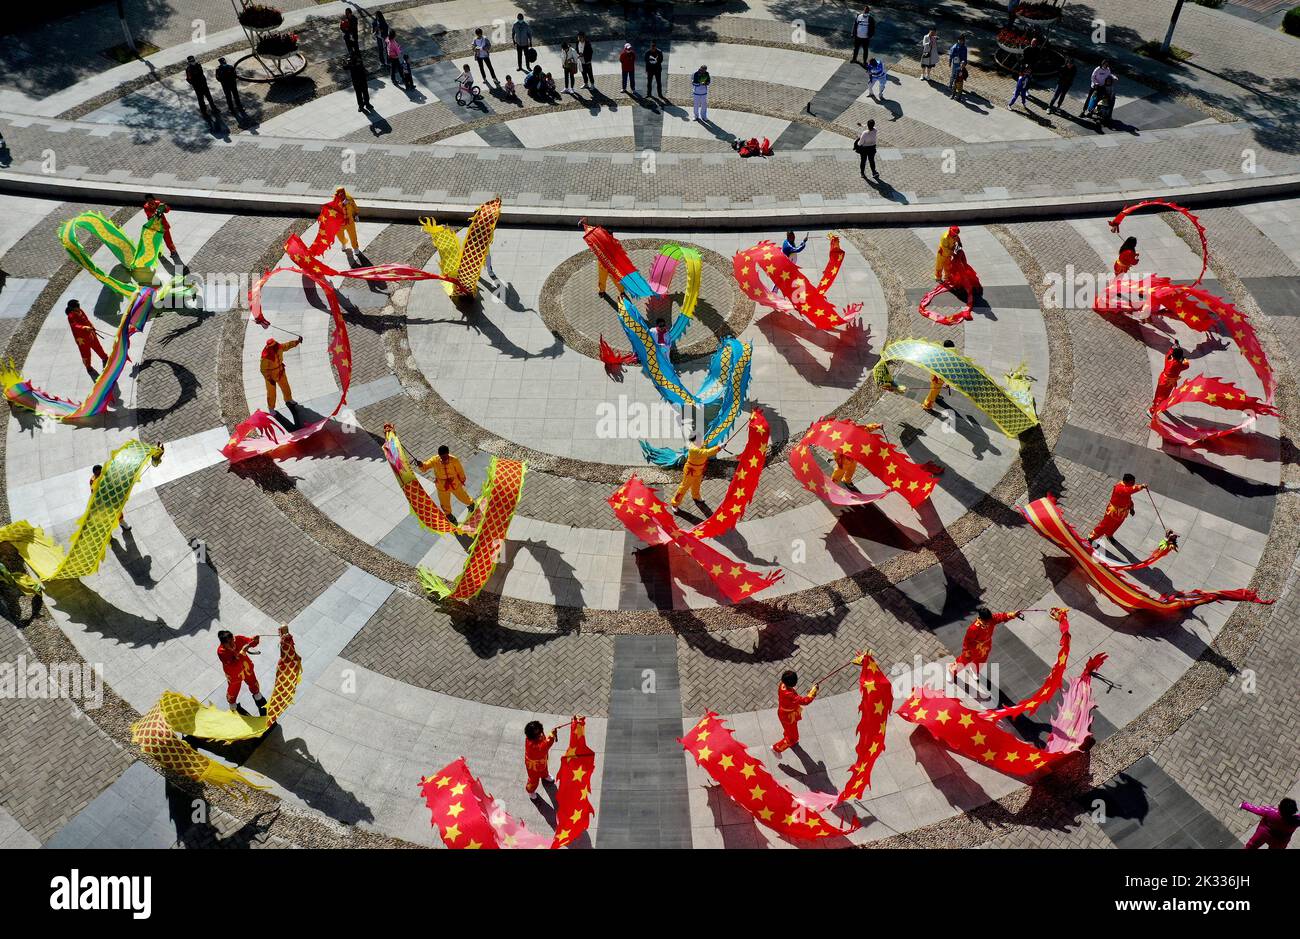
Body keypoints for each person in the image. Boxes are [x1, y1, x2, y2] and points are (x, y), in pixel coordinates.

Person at [951, 607, 1024, 674]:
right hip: (973, 648)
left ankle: (975, 670)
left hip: (986, 646)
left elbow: (1001, 616)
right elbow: (967, 641)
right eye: (987, 622)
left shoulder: (991, 619)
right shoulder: (973, 628)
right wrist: (966, 651)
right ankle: (952, 671)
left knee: (982, 660)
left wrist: (1013, 614)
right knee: (964, 660)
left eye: (990, 620)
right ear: (982, 619)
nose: (989, 623)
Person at [420, 445, 477, 522]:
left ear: (448, 454)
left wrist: (462, 479)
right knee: (444, 501)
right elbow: (425, 467)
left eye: (446, 456)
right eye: (442, 457)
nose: (444, 459)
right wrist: (421, 465)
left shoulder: (454, 460)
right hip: (441, 485)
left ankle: (471, 503)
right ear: (439, 455)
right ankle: (449, 515)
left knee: (462, 495)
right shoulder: (434, 460)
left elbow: (460, 471)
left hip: (454, 482)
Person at [217, 629, 267, 716]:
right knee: (234, 690)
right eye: (229, 643)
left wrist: (254, 640)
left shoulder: (238, 639)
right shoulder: (221, 652)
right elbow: (233, 664)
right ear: (223, 644)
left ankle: (260, 701)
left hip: (246, 667)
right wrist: (242, 652)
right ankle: (233, 706)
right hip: (234, 674)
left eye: (232, 640)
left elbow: (249, 642)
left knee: (253, 683)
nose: (233, 644)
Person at [1088, 473, 1147, 545]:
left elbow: (1128, 498)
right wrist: (1141, 486)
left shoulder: (1127, 487)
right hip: (1113, 511)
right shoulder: (1120, 488)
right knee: (1104, 525)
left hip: (1122, 512)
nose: (1134, 484)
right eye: (1132, 482)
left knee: (1116, 525)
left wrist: (1131, 508)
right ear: (1126, 482)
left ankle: (1109, 534)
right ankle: (1091, 537)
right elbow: (1130, 490)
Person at [773, 670, 818, 754]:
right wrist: (813, 692)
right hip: (788, 717)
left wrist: (810, 692)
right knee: (793, 737)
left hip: (782, 713)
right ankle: (777, 748)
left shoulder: (782, 685)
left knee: (788, 729)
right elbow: (805, 701)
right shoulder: (790, 695)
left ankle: (787, 735)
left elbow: (798, 698)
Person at [671, 435, 720, 508]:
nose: (702, 441)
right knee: (684, 487)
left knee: (697, 485)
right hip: (690, 472)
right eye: (699, 440)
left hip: (699, 470)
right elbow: (707, 452)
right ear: (694, 441)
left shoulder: (700, 444)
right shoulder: (693, 449)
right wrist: (719, 447)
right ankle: (675, 504)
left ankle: (696, 496)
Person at [260, 335, 301, 411]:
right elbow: (263, 369)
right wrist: (268, 377)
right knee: (271, 393)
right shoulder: (265, 357)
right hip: (270, 376)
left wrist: (297, 341)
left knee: (286, 387)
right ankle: (271, 408)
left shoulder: (278, 347)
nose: (276, 346)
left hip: (280, 372)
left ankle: (288, 399)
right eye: (274, 345)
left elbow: (287, 345)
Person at [65, 299, 108, 372]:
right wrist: (84, 327)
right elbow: (75, 326)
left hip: (90, 333)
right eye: (77, 306)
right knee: (85, 353)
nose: (79, 307)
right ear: (72, 308)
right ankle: (88, 366)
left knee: (98, 346)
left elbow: (86, 319)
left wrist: (91, 326)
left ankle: (104, 358)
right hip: (82, 338)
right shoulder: (70, 316)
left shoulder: (80, 311)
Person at [89, 463, 132, 535]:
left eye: (100, 472)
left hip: (112, 498)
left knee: (118, 512)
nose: (99, 474)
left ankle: (122, 523)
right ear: (94, 473)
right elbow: (93, 491)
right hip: (102, 501)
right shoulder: (92, 480)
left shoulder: (107, 476)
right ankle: (108, 533)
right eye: (97, 473)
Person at [1149, 344, 1188, 415]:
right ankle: (1153, 410)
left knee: (1159, 393)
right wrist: (1184, 359)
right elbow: (1187, 365)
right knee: (1162, 396)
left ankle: (1157, 404)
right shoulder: (1177, 364)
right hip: (1168, 383)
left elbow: (1170, 351)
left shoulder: (1169, 357)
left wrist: (1175, 346)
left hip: (1163, 379)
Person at [523, 720, 557, 798]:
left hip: (542, 760)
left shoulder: (535, 736)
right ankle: (531, 791)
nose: (541, 734)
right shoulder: (532, 745)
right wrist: (552, 736)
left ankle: (545, 776)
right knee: (533, 780)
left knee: (544, 768)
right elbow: (545, 745)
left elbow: (543, 742)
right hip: (533, 767)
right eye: (538, 733)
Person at [184, 55, 219, 125]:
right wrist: (194, 84)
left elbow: (201, 74)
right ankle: (204, 113)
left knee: (209, 97)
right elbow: (188, 79)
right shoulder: (188, 69)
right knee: (201, 100)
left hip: (204, 85)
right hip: (198, 87)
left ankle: (214, 108)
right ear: (189, 62)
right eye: (191, 61)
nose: (193, 62)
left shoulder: (198, 65)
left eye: (193, 60)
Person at [923, 339, 957, 410]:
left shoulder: (944, 354)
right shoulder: (945, 357)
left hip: (939, 378)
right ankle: (927, 406)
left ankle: (936, 395)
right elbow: (942, 371)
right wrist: (947, 382)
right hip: (937, 378)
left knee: (937, 389)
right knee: (933, 393)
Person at [143, 194, 179, 259]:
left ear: (153, 199)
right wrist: (155, 213)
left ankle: (173, 251)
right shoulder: (146, 206)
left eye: (151, 199)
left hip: (163, 225)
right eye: (148, 200)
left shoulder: (158, 203)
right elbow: (149, 215)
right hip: (154, 226)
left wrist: (165, 207)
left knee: (168, 240)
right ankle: (158, 251)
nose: (150, 201)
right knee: (156, 239)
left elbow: (167, 210)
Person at [335, 186, 359, 252]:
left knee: (353, 235)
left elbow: (354, 206)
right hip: (339, 223)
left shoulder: (349, 198)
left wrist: (356, 214)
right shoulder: (335, 200)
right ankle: (343, 243)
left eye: (342, 193)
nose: (341, 195)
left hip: (350, 221)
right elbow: (334, 210)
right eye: (340, 193)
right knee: (340, 236)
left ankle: (355, 247)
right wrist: (342, 204)